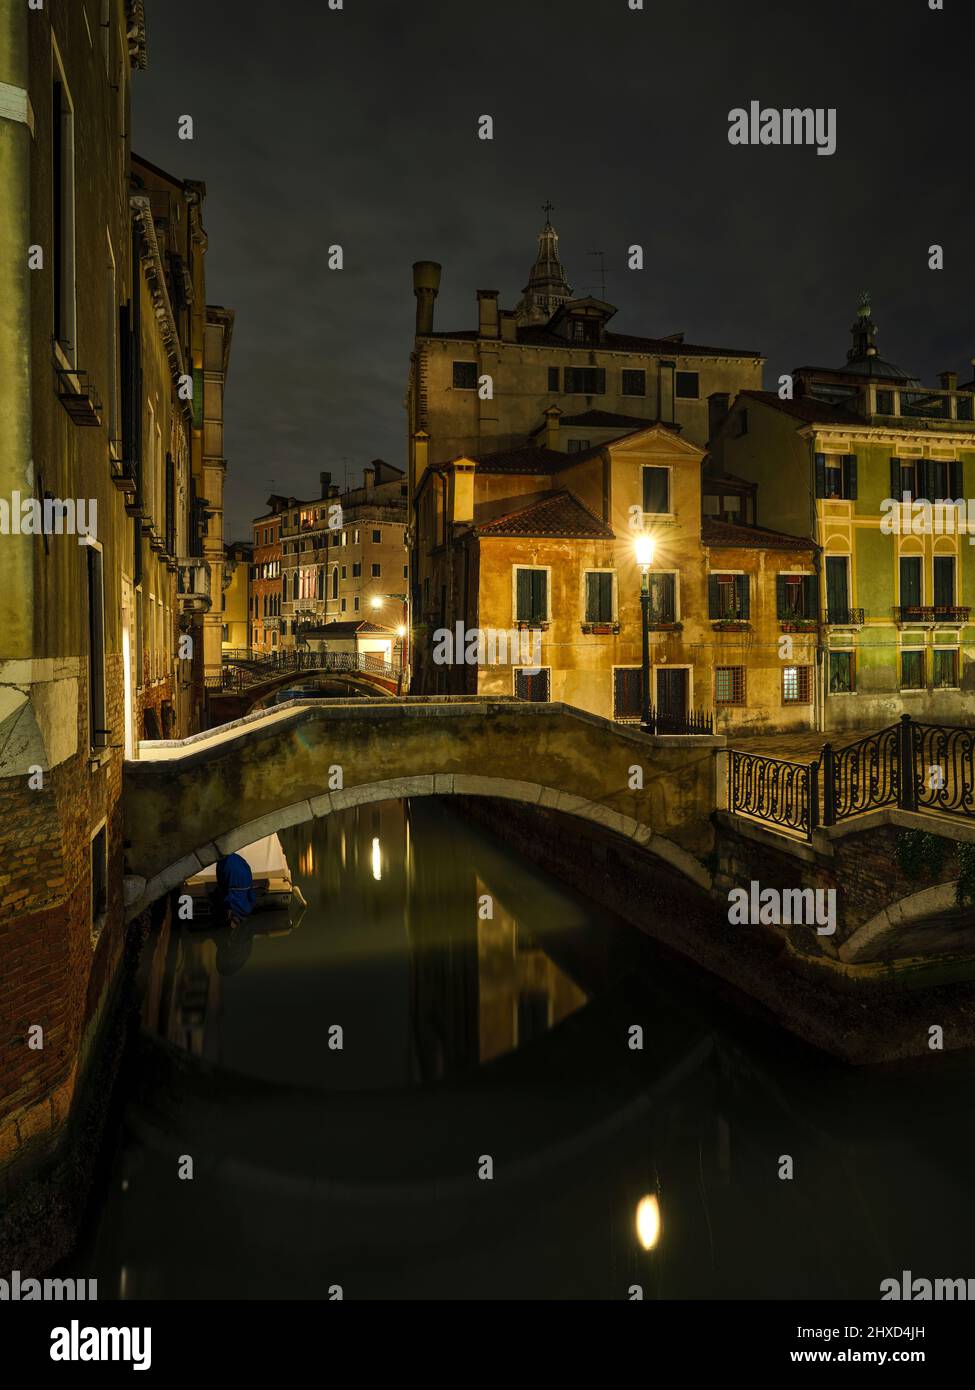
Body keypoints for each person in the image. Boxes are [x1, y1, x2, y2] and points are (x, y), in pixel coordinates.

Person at [213, 852, 256, 930]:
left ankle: (233, 920)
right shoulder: (236, 858)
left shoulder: (223, 861)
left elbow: (221, 884)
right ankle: (236, 919)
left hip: (235, 881)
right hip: (244, 880)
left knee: (230, 897)